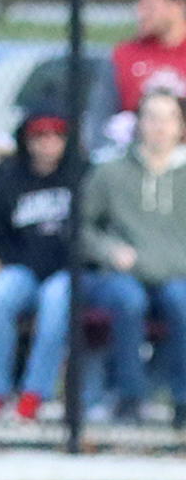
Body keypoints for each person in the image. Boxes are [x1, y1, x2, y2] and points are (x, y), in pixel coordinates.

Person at [79, 90, 186, 428]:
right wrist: (109, 250)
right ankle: (130, 398)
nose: (159, 126)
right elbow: (81, 228)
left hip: (175, 275)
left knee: (181, 302)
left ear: (180, 126)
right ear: (138, 123)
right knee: (129, 301)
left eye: (168, 118)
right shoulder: (109, 172)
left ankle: (180, 401)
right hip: (121, 275)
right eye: (151, 117)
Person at [0, 108, 85, 422]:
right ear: (27, 139)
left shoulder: (81, 173)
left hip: (66, 271)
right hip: (22, 268)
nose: (48, 143)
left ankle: (34, 392)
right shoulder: (8, 175)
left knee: (57, 300)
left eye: (56, 136)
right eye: (40, 136)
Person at [110, 0, 186, 115]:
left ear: (178, 6)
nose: (142, 15)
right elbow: (99, 119)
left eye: (150, 7)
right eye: (140, 6)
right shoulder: (124, 55)